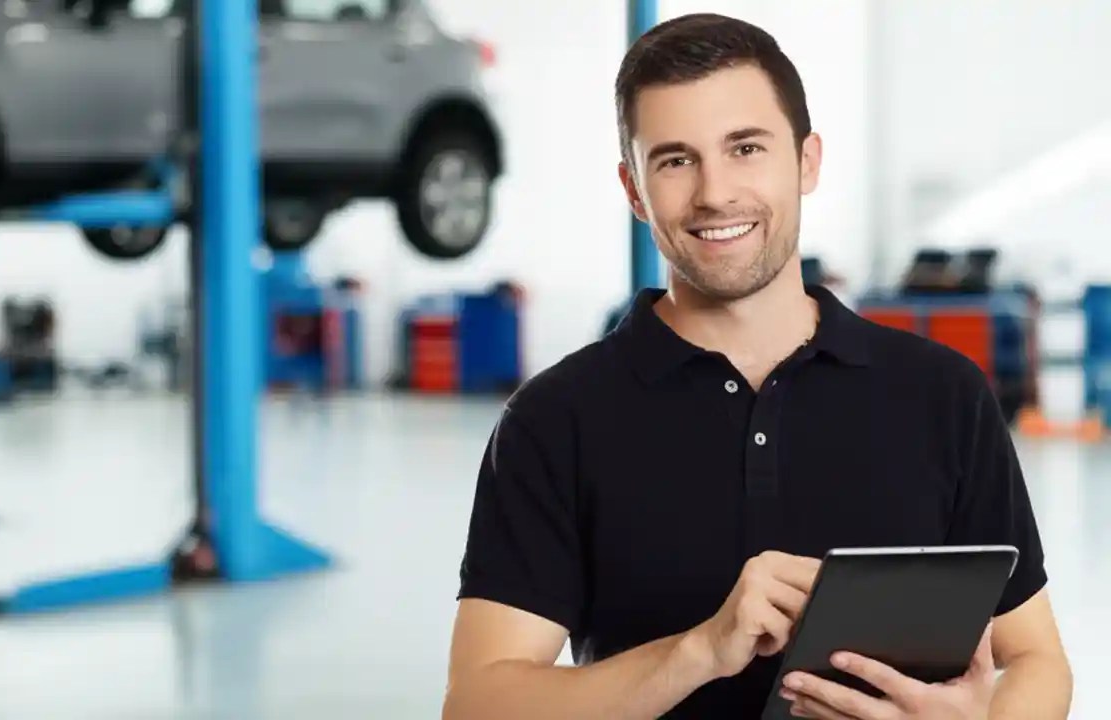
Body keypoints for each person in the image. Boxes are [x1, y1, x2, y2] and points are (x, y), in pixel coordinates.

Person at [441, 12, 1072, 720]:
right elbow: (480, 704)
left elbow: (1037, 661)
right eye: (676, 160)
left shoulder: (942, 394)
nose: (714, 194)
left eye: (746, 148)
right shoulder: (555, 419)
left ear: (806, 161)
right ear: (633, 190)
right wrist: (700, 650)